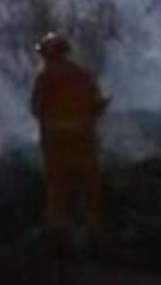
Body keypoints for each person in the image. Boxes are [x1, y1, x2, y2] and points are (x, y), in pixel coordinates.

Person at [29, 32, 110, 251]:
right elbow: (97, 107)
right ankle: (83, 233)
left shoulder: (44, 78)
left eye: (46, 54)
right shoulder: (83, 76)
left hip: (58, 143)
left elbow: (36, 109)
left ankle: (64, 233)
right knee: (83, 185)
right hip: (81, 140)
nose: (45, 59)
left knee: (59, 187)